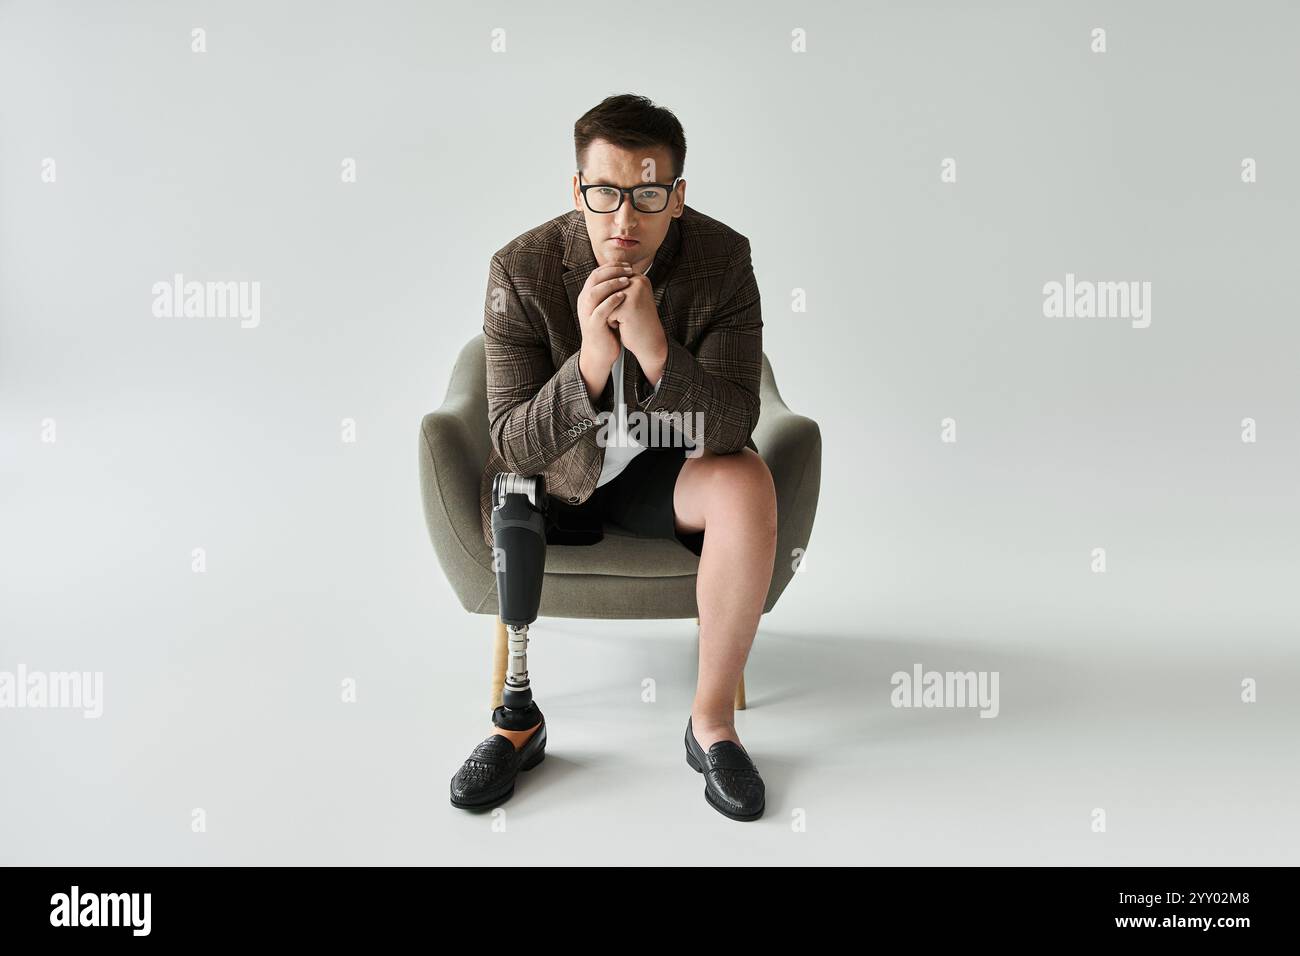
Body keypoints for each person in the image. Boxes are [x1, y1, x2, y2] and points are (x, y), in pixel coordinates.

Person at [451, 93, 777, 821]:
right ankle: (517, 722)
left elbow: (734, 422)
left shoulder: (725, 261)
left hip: (666, 473)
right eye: (604, 193)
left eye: (647, 194)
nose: (624, 220)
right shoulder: (521, 268)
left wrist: (657, 348)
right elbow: (508, 440)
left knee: (748, 481)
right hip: (559, 481)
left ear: (678, 199)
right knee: (513, 485)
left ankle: (711, 725)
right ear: (578, 192)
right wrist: (592, 363)